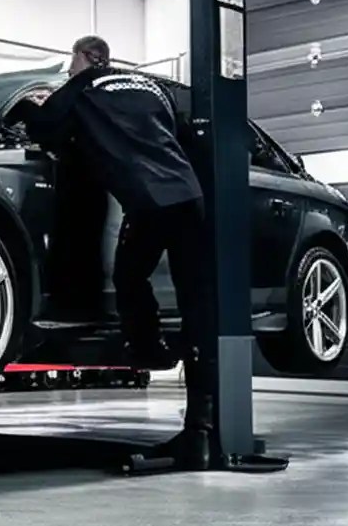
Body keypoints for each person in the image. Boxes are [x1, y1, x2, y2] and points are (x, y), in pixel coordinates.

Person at [13, 35, 216, 468]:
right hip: (188, 196)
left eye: (71, 62)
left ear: (87, 58)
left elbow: (44, 127)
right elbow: (182, 136)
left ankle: (148, 349)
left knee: (129, 275)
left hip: (148, 200)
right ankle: (202, 425)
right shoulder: (150, 86)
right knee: (197, 304)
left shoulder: (83, 86)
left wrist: (30, 104)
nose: (69, 70)